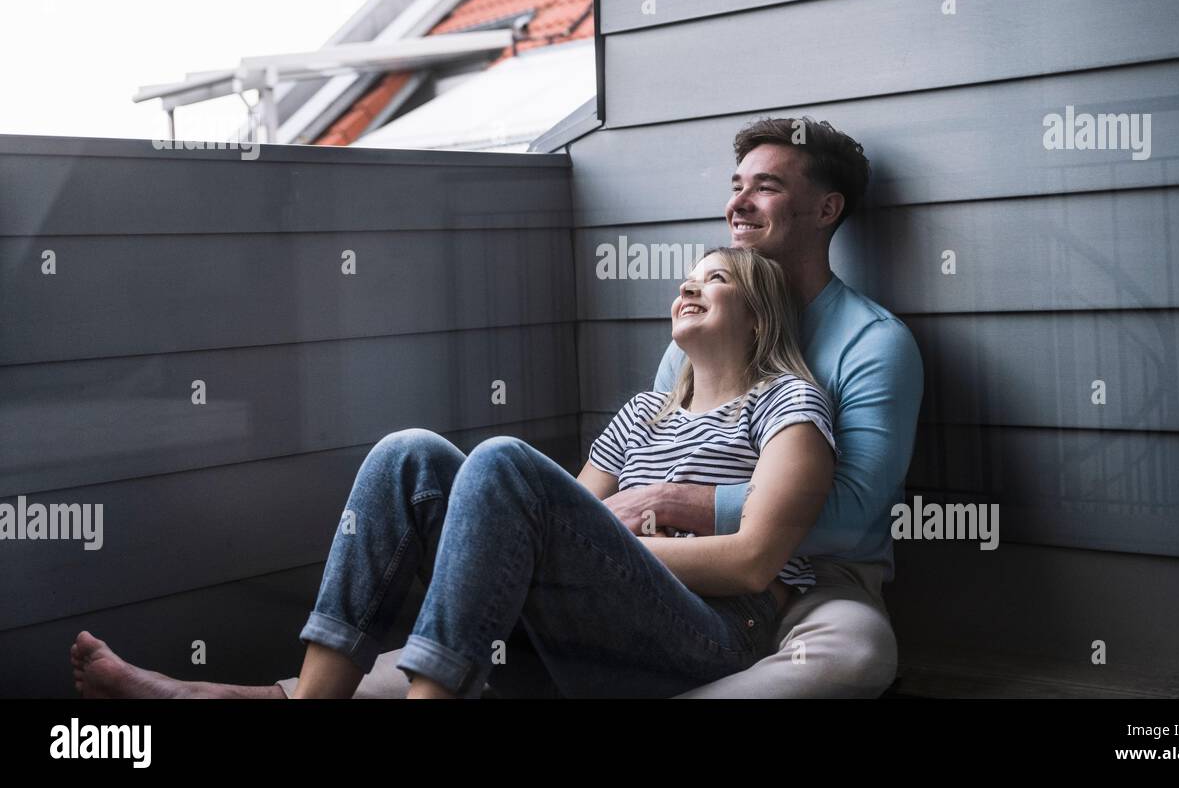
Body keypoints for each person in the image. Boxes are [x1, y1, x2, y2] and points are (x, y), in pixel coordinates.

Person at [71, 115, 924, 699]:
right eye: (735, 186)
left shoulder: (844, 361)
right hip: (636, 575)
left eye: (765, 188)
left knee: (509, 467)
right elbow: (582, 507)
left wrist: (651, 517)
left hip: (763, 595)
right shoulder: (662, 390)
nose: (736, 206)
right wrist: (586, 537)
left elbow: (837, 520)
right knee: (411, 452)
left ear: (824, 208)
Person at [71, 246, 839, 698]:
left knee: (504, 460)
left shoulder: (787, 403)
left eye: (716, 281)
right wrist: (606, 526)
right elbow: (562, 527)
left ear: (761, 317)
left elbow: (750, 563)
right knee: (409, 452)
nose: (688, 287)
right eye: (686, 278)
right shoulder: (642, 413)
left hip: (713, 630)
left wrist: (613, 536)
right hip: (606, 614)